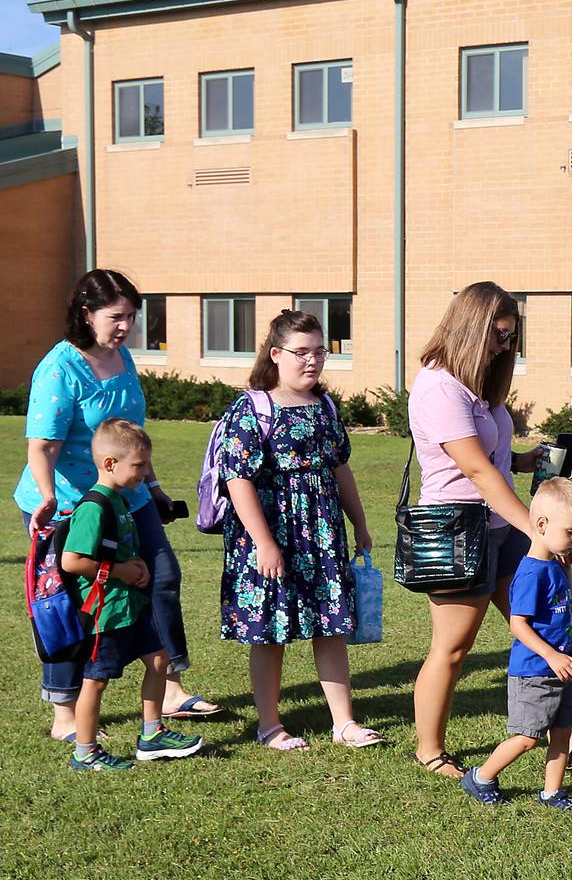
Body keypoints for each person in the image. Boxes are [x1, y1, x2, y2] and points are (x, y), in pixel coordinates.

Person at [408, 282, 572, 778]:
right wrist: (539, 531)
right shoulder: (438, 386)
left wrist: (529, 460)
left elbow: (494, 462)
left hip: (503, 527)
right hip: (458, 530)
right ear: (471, 328)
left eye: (510, 336)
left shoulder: (477, 386)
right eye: (498, 336)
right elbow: (477, 473)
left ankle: (566, 741)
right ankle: (430, 751)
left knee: (544, 631)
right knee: (453, 647)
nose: (505, 346)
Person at [16, 269, 217, 743]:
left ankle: (168, 687)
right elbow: (41, 446)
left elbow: (131, 437)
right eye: (116, 317)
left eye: (131, 316)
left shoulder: (122, 356)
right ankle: (65, 711)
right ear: (86, 313)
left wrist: (154, 483)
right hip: (71, 504)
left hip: (130, 494)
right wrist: (47, 497)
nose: (126, 326)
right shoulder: (59, 368)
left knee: (163, 576)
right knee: (70, 604)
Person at [216, 309, 379, 750]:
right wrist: (265, 545)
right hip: (271, 534)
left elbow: (340, 467)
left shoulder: (325, 406)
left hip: (321, 534)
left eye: (319, 351)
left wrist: (359, 521)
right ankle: (269, 724)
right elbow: (237, 480)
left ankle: (343, 722)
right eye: (301, 352)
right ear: (276, 354)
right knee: (271, 631)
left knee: (331, 624)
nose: (312, 360)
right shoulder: (252, 408)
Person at [61, 419, 203, 770]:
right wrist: (121, 571)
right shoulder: (94, 507)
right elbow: (72, 560)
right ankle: (85, 752)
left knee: (158, 660)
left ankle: (152, 735)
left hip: (131, 606)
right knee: (96, 680)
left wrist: (136, 564)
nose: (143, 473)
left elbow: (116, 548)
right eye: (138, 466)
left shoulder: (120, 501)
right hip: (106, 612)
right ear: (111, 464)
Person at [462, 478, 572, 811]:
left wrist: (569, 567)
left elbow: (566, 601)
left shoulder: (555, 565)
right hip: (535, 671)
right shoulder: (532, 573)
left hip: (561, 668)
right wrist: (551, 655)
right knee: (528, 737)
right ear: (542, 525)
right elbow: (518, 624)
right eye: (571, 532)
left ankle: (552, 792)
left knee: (562, 731)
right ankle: (481, 776)